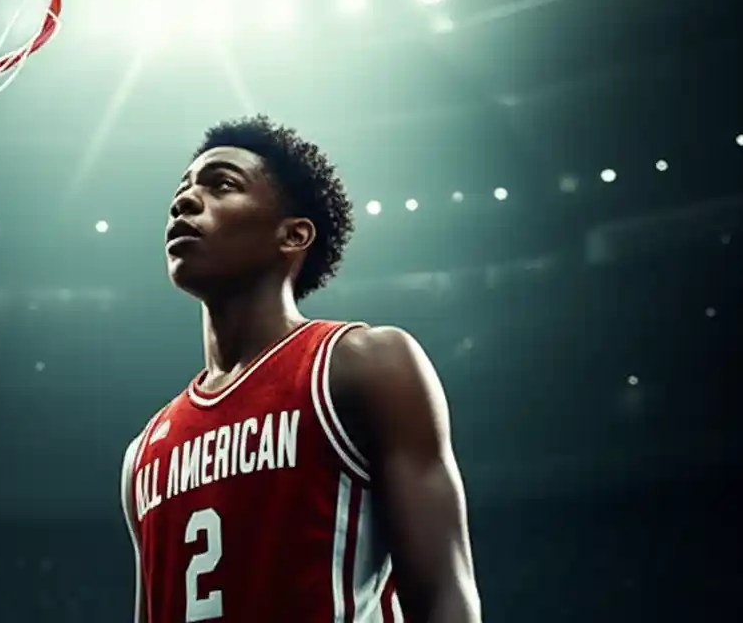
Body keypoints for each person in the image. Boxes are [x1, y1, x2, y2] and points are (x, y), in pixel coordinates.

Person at [121, 115, 481, 622]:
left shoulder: (363, 364)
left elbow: (445, 594)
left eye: (221, 185)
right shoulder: (144, 452)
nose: (183, 201)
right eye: (182, 189)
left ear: (293, 235)